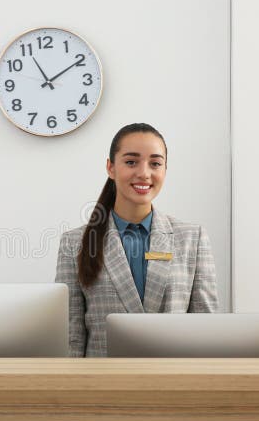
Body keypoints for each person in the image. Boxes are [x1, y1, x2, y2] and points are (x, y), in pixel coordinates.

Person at [55, 123, 218, 357]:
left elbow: (207, 333)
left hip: (174, 385)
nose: (144, 173)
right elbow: (71, 338)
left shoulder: (193, 238)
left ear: (165, 169)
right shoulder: (75, 243)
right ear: (111, 167)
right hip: (102, 387)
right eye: (131, 162)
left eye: (155, 163)